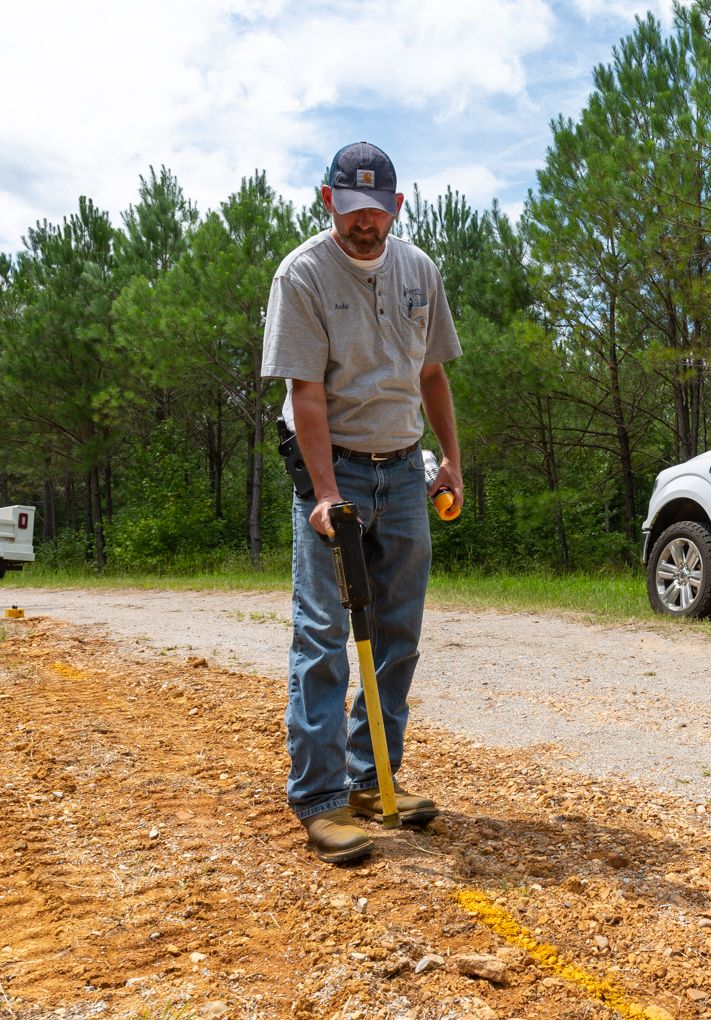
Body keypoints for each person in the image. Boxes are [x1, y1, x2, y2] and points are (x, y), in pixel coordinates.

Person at [261, 141, 463, 864]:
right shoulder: (304, 275)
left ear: (398, 207)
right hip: (334, 466)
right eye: (351, 210)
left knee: (397, 634)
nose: (365, 224)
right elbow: (305, 394)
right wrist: (323, 494)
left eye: (377, 211)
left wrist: (453, 466)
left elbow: (432, 372)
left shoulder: (419, 272)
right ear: (328, 202)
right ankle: (319, 800)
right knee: (322, 637)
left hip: (406, 469)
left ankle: (375, 777)